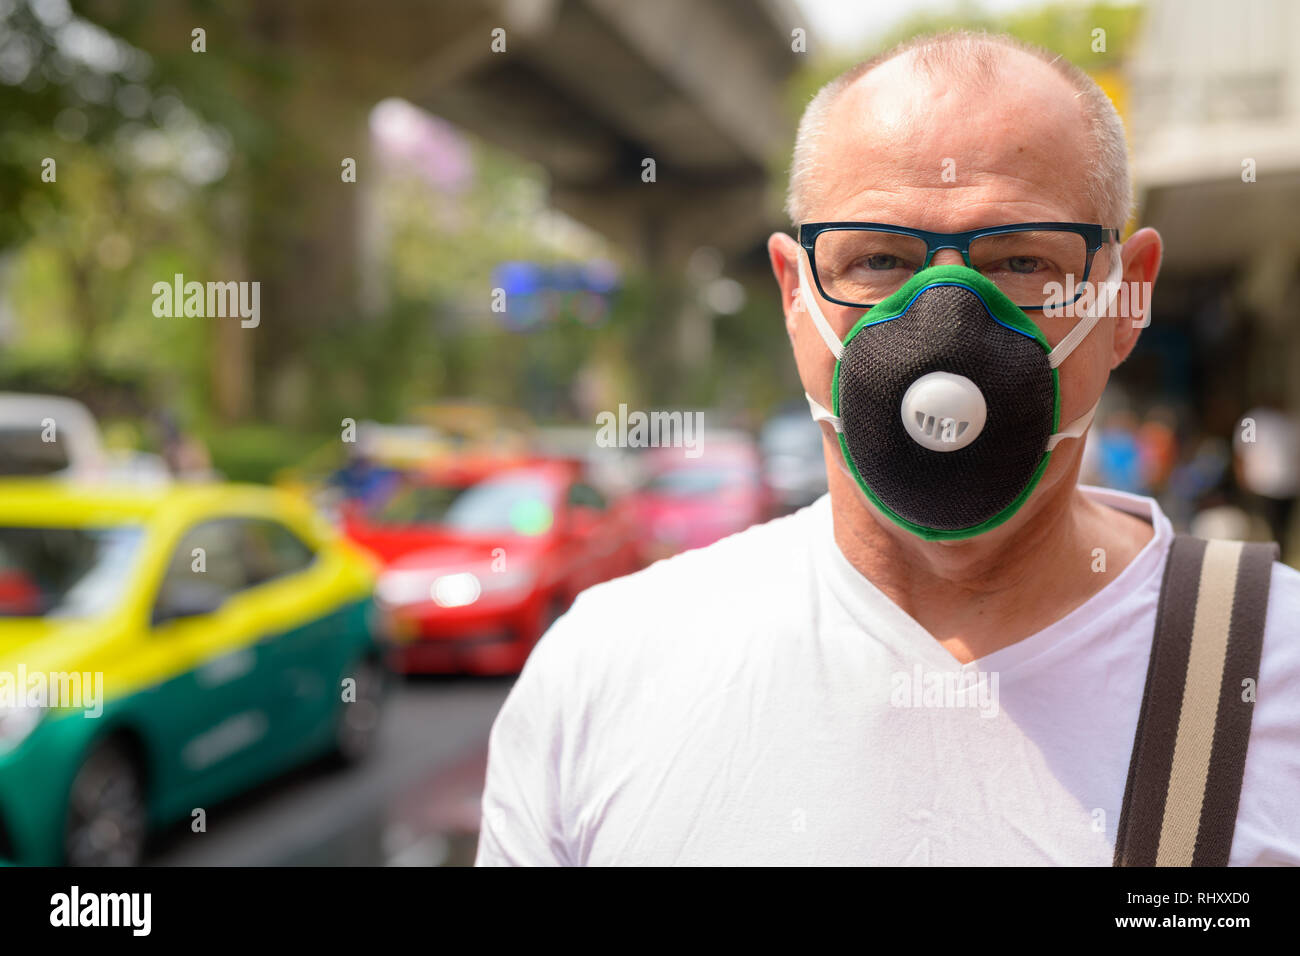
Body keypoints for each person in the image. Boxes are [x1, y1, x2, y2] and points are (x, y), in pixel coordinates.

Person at [476, 31, 1300, 866]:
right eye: (878, 259)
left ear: (1127, 296)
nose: (946, 325)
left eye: (1020, 260)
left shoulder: (1270, 668)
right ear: (794, 294)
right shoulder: (603, 672)